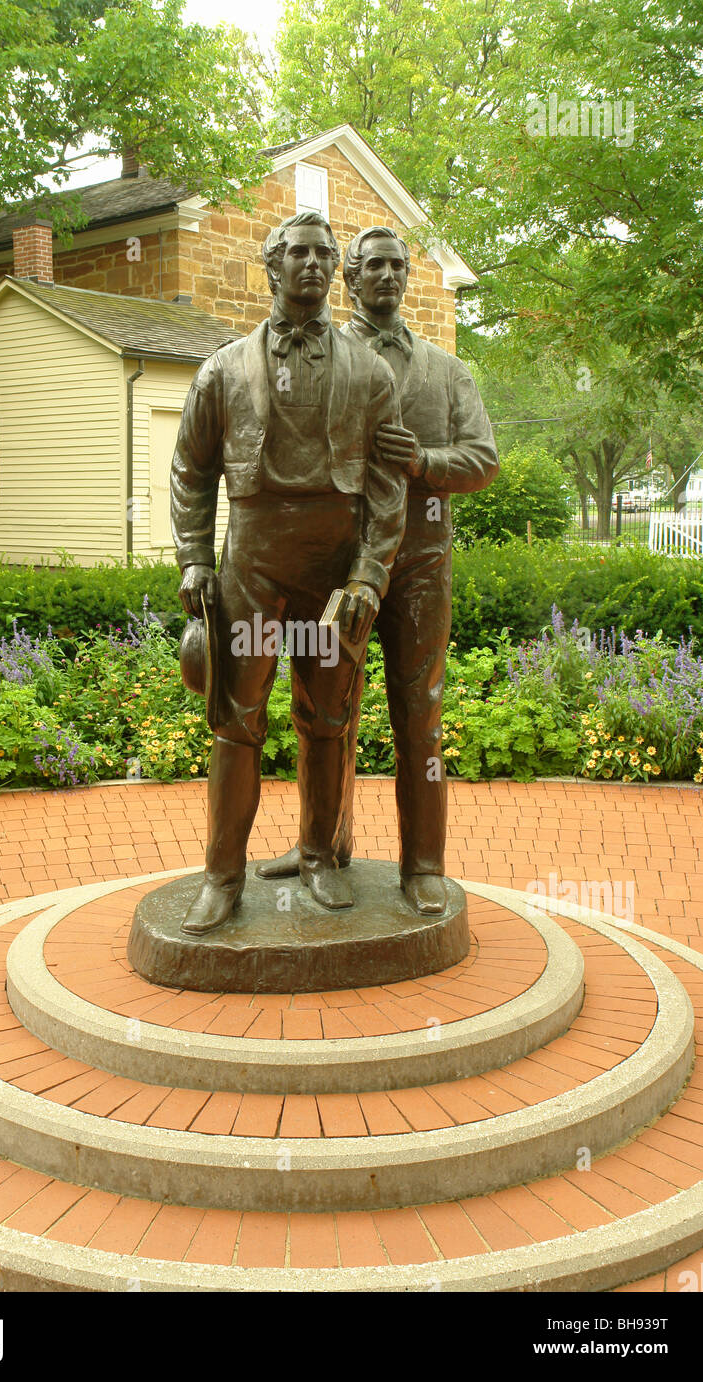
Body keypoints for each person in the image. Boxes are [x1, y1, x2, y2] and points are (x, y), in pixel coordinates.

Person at [171, 211, 407, 934]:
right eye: (295, 253)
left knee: (327, 718)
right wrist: (193, 559)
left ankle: (319, 858)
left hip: (332, 562)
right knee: (236, 721)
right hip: (253, 556)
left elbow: (388, 486)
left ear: (335, 270)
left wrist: (369, 575)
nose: (309, 264)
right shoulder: (223, 368)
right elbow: (191, 470)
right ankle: (222, 875)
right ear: (271, 268)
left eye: (321, 254)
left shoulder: (368, 372)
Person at [257, 225, 499, 915]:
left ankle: (423, 864)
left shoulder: (448, 372)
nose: (387, 277)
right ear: (350, 277)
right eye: (373, 267)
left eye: (399, 266)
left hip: (419, 566)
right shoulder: (319, 357)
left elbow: (483, 460)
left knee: (419, 715)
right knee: (321, 712)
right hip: (335, 565)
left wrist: (423, 460)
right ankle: (321, 848)